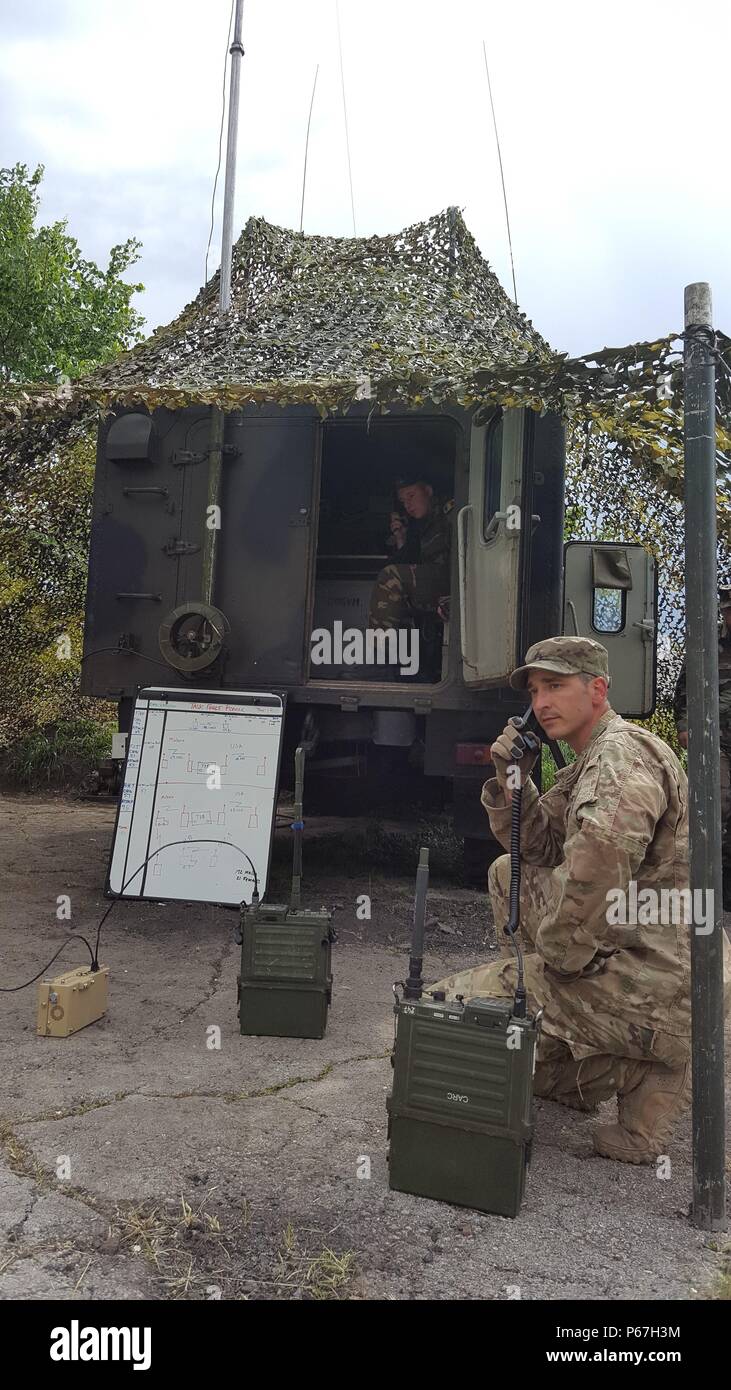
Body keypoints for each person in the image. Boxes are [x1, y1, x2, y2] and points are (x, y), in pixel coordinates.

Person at [428, 635, 731, 1164]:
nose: (542, 702)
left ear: (597, 689)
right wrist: (511, 777)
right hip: (656, 952)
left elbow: (597, 870)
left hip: (660, 977)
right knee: (509, 874)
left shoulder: (619, 761)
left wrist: (546, 975)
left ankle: (644, 1062)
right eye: (536, 690)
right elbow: (538, 850)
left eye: (556, 686)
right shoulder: (596, 754)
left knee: (441, 1016)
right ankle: (571, 1062)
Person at [673, 587, 731, 908]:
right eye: (728, 611)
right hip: (714, 742)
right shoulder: (706, 646)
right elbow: (683, 691)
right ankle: (704, 890)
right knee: (713, 806)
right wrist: (684, 726)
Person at [368, 476, 453, 634]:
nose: (407, 505)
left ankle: (379, 651)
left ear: (428, 491)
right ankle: (392, 654)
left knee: (389, 578)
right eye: (403, 501)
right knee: (392, 595)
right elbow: (406, 566)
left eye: (411, 496)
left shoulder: (448, 514)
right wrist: (401, 538)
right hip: (436, 584)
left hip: (453, 582)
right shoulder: (418, 524)